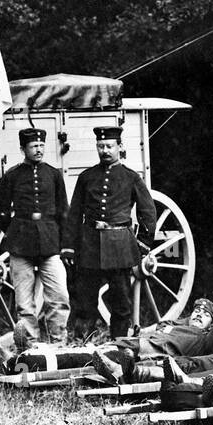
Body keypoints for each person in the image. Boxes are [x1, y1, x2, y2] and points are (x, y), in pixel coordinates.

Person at [64, 125, 157, 339]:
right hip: (90, 246)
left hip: (120, 247)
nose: (105, 150)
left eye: (109, 146)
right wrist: (69, 247)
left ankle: (119, 345)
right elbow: (74, 214)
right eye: (100, 146)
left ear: (119, 147)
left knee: (121, 303)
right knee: (85, 302)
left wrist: (142, 244)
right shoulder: (87, 177)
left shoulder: (131, 177)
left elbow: (148, 212)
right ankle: (82, 344)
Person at [0, 298, 213, 376]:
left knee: (77, 357)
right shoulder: (175, 326)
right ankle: (26, 351)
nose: (199, 315)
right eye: (196, 311)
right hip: (126, 345)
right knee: (81, 351)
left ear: (212, 324)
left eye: (205, 315)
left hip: (137, 356)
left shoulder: (203, 340)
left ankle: (15, 363)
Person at [0, 127, 70, 345]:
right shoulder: (12, 175)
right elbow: (2, 211)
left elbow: (63, 211)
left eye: (41, 146)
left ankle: (59, 343)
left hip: (49, 244)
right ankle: (31, 347)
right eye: (33, 146)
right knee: (24, 303)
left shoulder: (54, 174)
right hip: (20, 246)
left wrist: (63, 244)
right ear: (23, 149)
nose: (38, 150)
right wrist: (15, 232)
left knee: (59, 297)